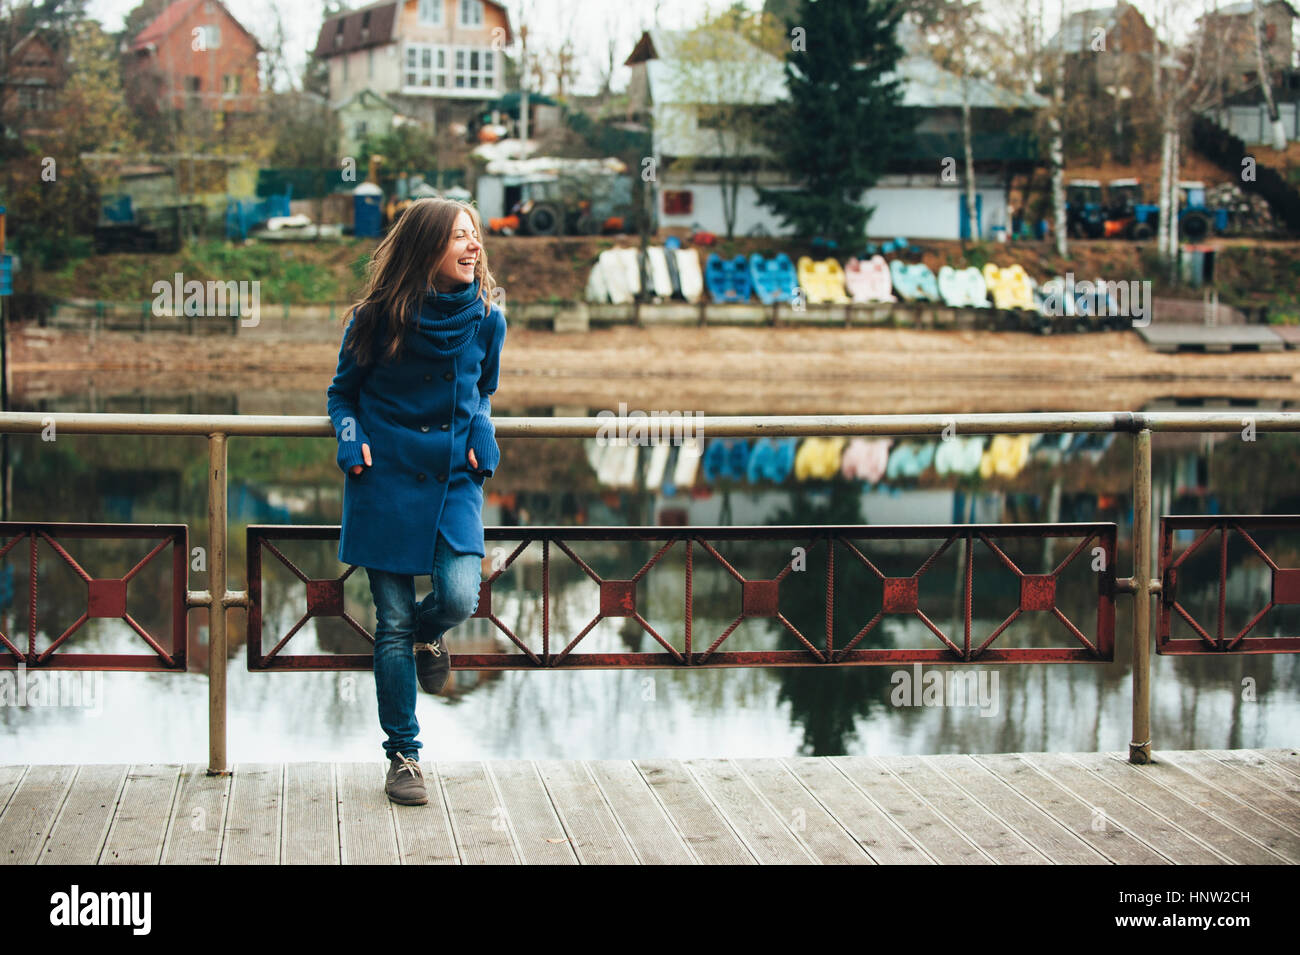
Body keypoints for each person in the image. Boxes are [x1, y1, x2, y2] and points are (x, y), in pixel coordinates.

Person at [326, 197, 507, 806]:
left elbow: (483, 389)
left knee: (459, 594)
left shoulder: (487, 319)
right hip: (384, 482)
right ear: (426, 247)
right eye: (460, 236)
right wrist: (351, 442)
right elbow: (342, 396)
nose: (474, 245)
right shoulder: (375, 318)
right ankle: (403, 755)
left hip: (455, 480)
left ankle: (434, 638)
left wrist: (482, 424)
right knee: (393, 623)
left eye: (475, 235)